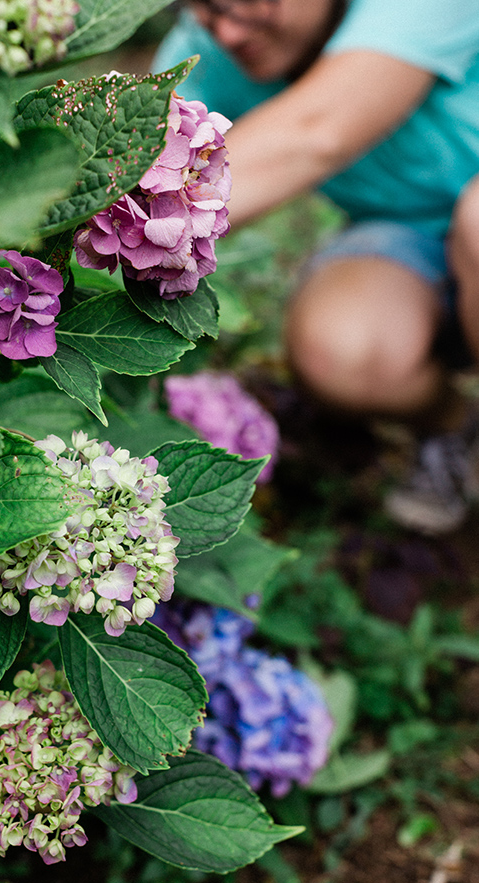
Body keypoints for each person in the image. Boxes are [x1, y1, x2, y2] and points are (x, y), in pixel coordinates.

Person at [153, 0, 479, 533]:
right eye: (208, 11)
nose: (230, 32)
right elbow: (145, 155)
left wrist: (144, 215)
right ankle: (457, 426)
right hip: (406, 232)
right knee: (342, 353)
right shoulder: (201, 58)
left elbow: (318, 130)